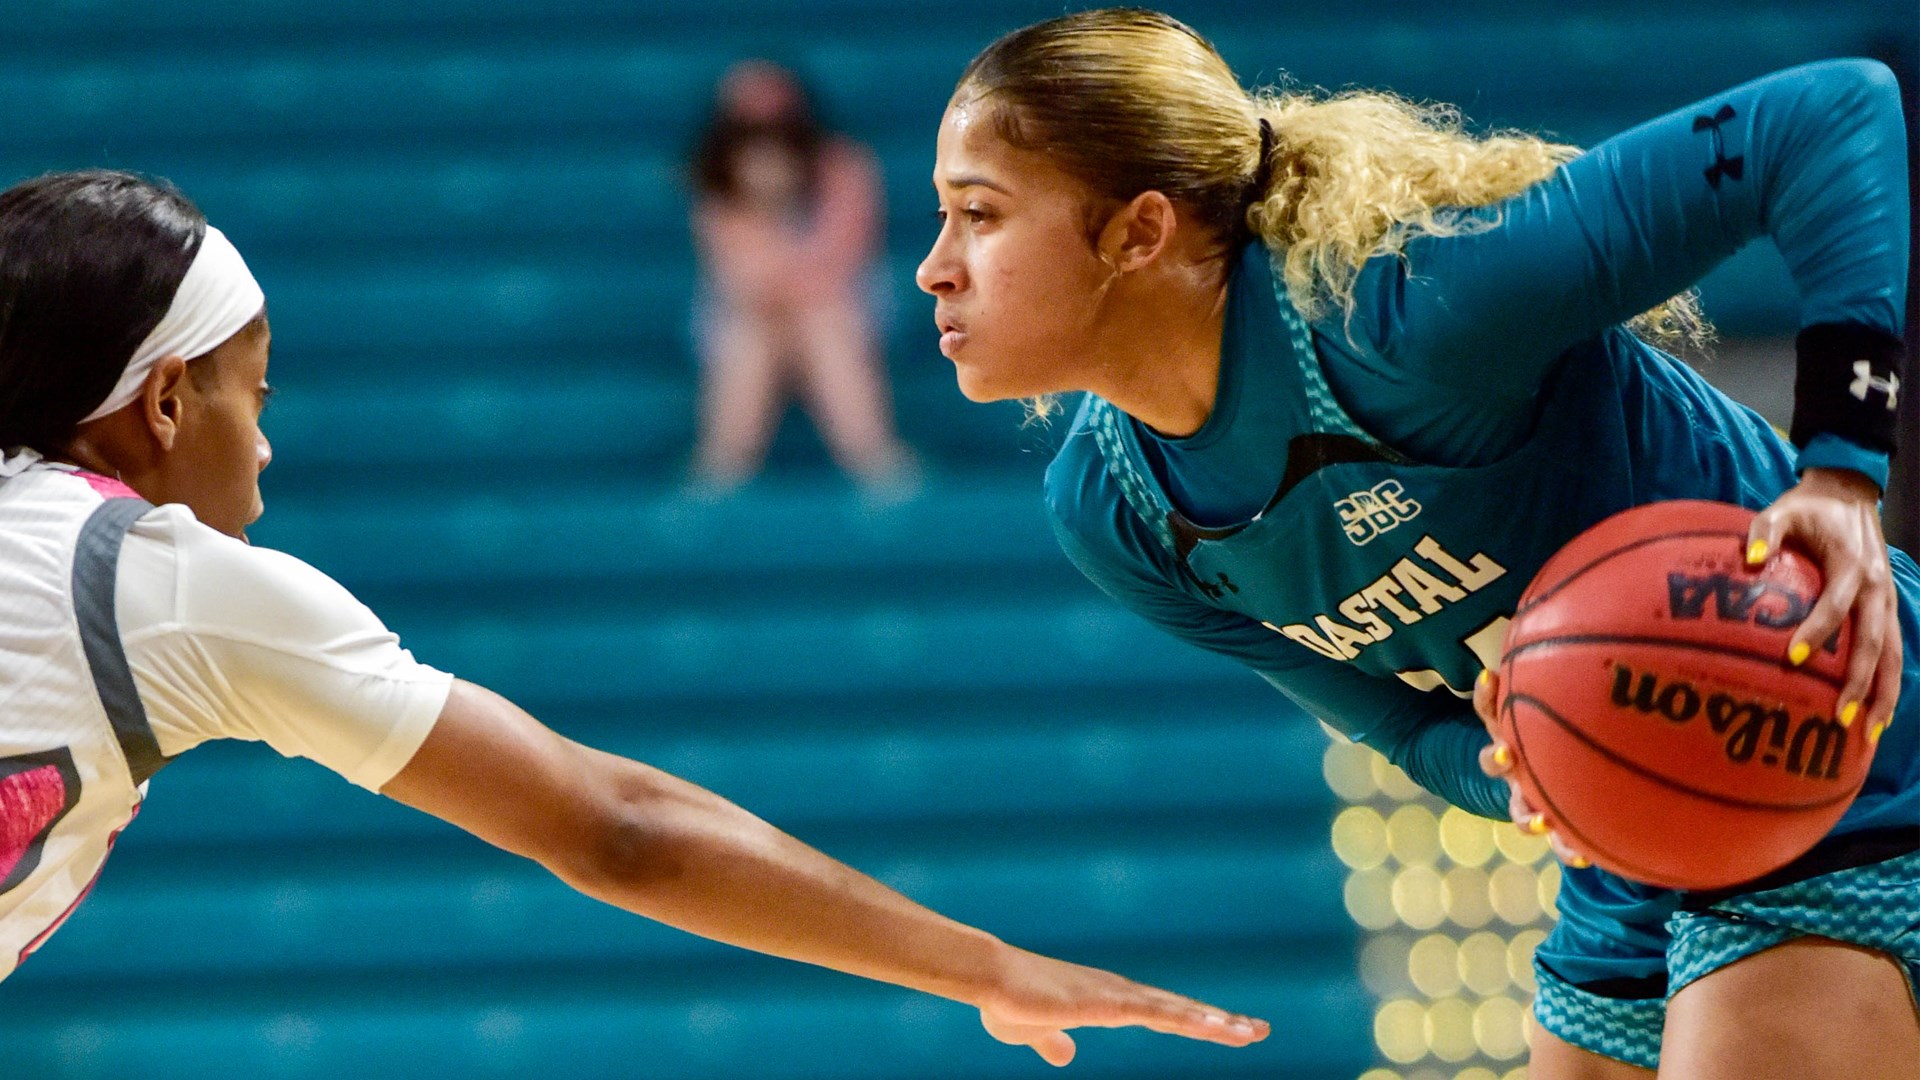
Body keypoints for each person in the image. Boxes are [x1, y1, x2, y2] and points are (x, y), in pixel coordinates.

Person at [0, 169, 1273, 1069]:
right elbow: (617, 830)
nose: (267, 450)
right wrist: (987, 966)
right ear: (165, 401)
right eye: (252, 397)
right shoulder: (158, 584)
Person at [915, 10, 1915, 1079]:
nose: (935, 268)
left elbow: (1832, 112)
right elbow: (1402, 731)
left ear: (1138, 233)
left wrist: (1843, 475)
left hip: (1841, 738)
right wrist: (1529, 764)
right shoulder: (1113, 513)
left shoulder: (1407, 321)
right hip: (1639, 835)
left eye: (979, 215)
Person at [687, 60, 918, 493]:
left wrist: (791, 286)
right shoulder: (715, 178)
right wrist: (766, 207)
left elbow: (841, 261)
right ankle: (722, 469)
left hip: (845, 310)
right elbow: (743, 276)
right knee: (759, 329)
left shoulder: (847, 165)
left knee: (821, 321)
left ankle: (876, 462)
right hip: (746, 315)